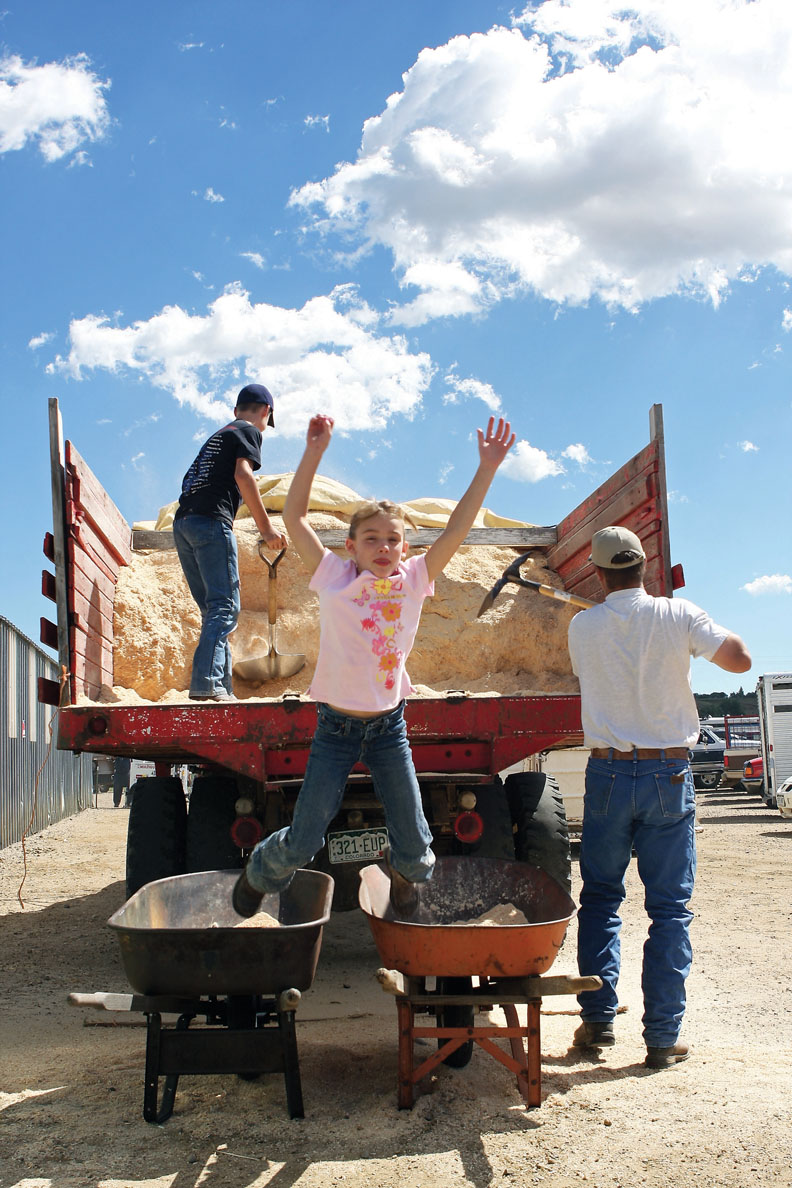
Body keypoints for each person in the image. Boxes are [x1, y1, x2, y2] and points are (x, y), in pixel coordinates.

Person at [232, 412, 515, 917]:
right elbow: (295, 518)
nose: (383, 547)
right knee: (304, 839)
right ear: (351, 546)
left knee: (414, 841)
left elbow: (458, 526)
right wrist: (313, 453)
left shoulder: (415, 578)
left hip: (389, 729)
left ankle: (410, 896)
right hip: (335, 731)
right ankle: (260, 872)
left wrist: (486, 469)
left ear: (405, 547)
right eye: (371, 539)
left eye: (392, 539)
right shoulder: (333, 576)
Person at [567, 525, 751, 1069]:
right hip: (667, 773)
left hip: (607, 773)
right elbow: (739, 659)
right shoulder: (680, 614)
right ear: (644, 566)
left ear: (599, 574)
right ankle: (662, 1037)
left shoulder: (582, 626)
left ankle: (597, 1022)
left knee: (601, 898)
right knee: (669, 908)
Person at [173, 383, 287, 702]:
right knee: (224, 607)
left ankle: (222, 688)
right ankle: (208, 684)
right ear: (266, 412)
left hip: (183, 523)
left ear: (236, 409)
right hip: (211, 522)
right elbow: (243, 475)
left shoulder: (216, 438)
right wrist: (266, 530)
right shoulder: (248, 431)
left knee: (214, 610)